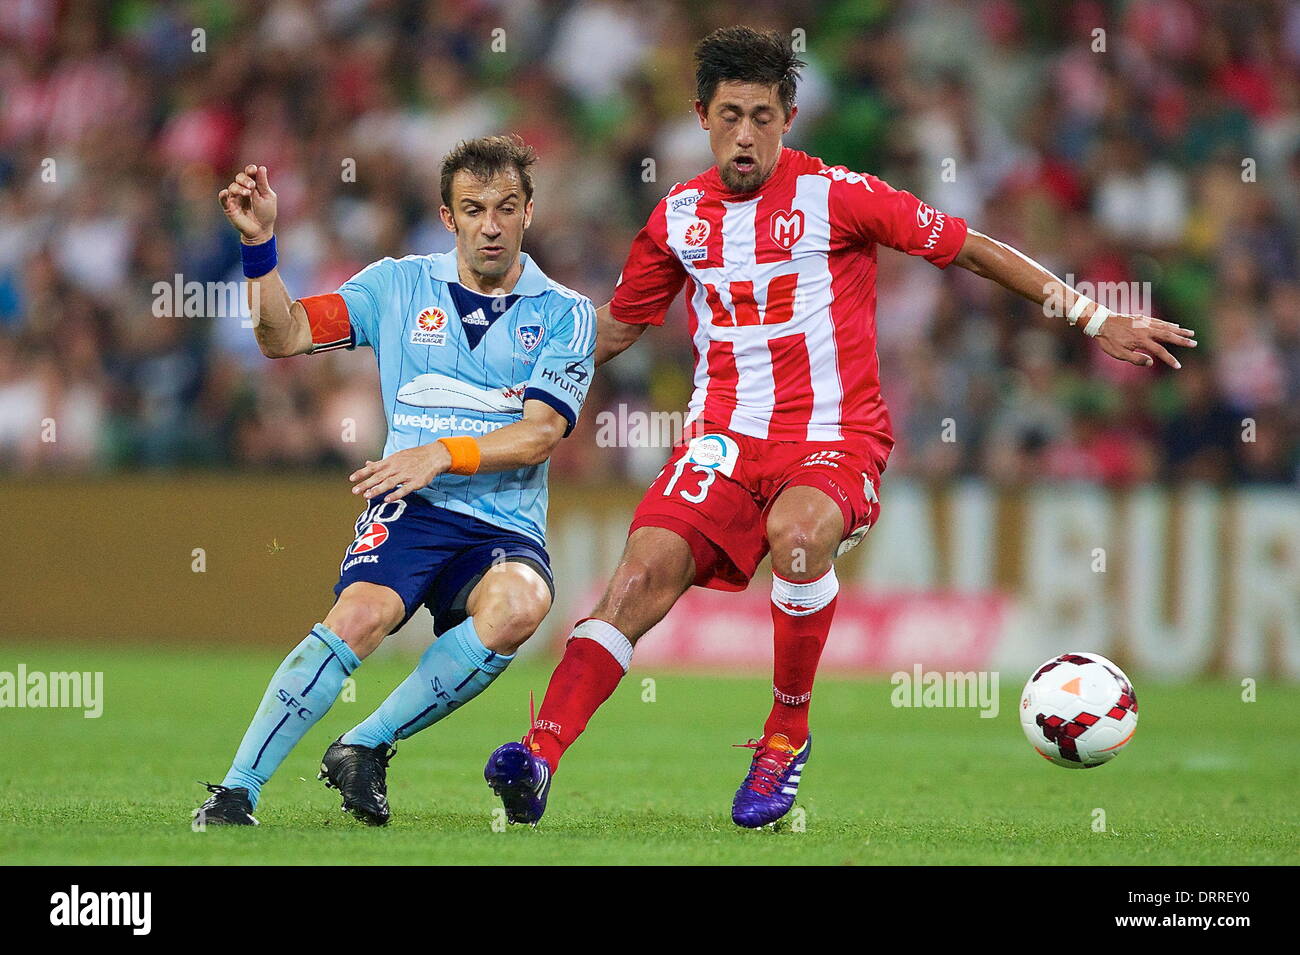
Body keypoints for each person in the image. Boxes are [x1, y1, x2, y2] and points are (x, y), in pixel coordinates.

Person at [483, 27, 1194, 829]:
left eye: (761, 115)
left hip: (834, 435)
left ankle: (784, 738)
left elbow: (970, 250)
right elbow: (615, 328)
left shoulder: (839, 195)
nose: (745, 134)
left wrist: (1094, 316)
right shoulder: (678, 216)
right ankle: (537, 756)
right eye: (728, 116)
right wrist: (525, 372)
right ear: (701, 117)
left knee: (796, 533)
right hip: (720, 441)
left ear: (788, 116)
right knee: (638, 576)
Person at [194, 135, 595, 826]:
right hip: (413, 508)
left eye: (506, 207)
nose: (490, 225)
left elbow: (540, 432)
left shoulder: (565, 312)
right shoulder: (394, 286)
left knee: (521, 605)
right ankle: (236, 790)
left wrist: (441, 451)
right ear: (448, 217)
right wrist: (260, 247)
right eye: (473, 209)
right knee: (360, 617)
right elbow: (282, 336)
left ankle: (365, 743)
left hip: (502, 522)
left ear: (530, 211)